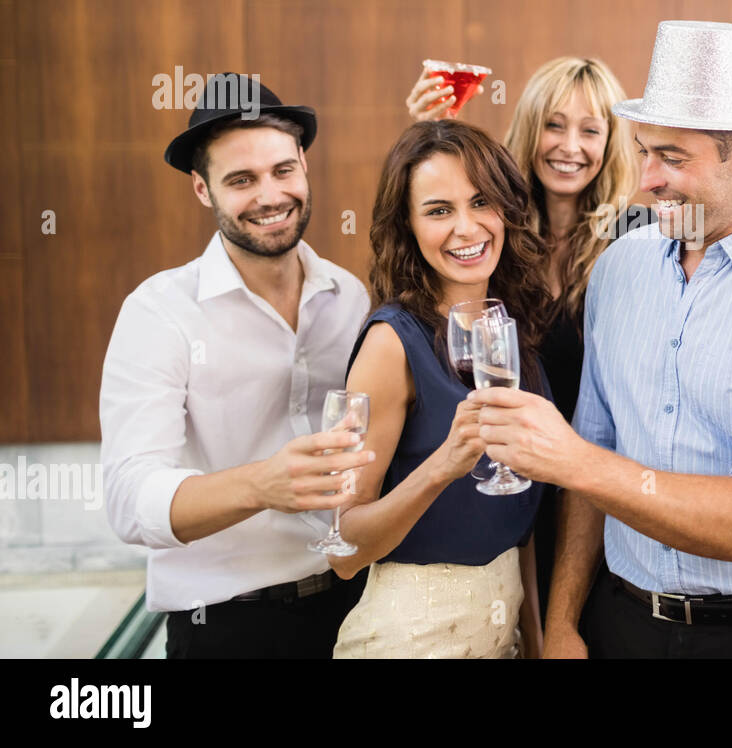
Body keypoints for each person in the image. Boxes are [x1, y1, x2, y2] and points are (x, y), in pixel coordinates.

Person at [471, 20, 732, 658]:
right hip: (617, 621)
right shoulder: (620, 268)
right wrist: (563, 623)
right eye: (643, 151)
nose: (645, 180)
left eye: (673, 158)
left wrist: (570, 459)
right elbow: (598, 444)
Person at [100, 74, 373, 658]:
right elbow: (128, 500)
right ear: (203, 190)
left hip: (354, 608)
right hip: (224, 629)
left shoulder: (349, 297)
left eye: (282, 170)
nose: (270, 196)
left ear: (304, 164)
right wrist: (260, 485)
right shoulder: (159, 312)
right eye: (241, 180)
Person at [407, 57, 649, 613]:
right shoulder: (492, 230)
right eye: (554, 124)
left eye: (591, 130)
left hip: (595, 483)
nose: (570, 145)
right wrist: (424, 134)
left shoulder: (636, 237)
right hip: (501, 480)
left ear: (612, 142)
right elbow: (421, 281)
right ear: (529, 129)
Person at [330, 119, 551, 658]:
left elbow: (516, 526)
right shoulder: (390, 343)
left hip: (504, 634)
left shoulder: (510, 330)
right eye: (438, 210)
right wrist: (442, 465)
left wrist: (540, 645)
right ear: (406, 225)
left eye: (481, 202)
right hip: (411, 638)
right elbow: (343, 549)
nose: (467, 228)